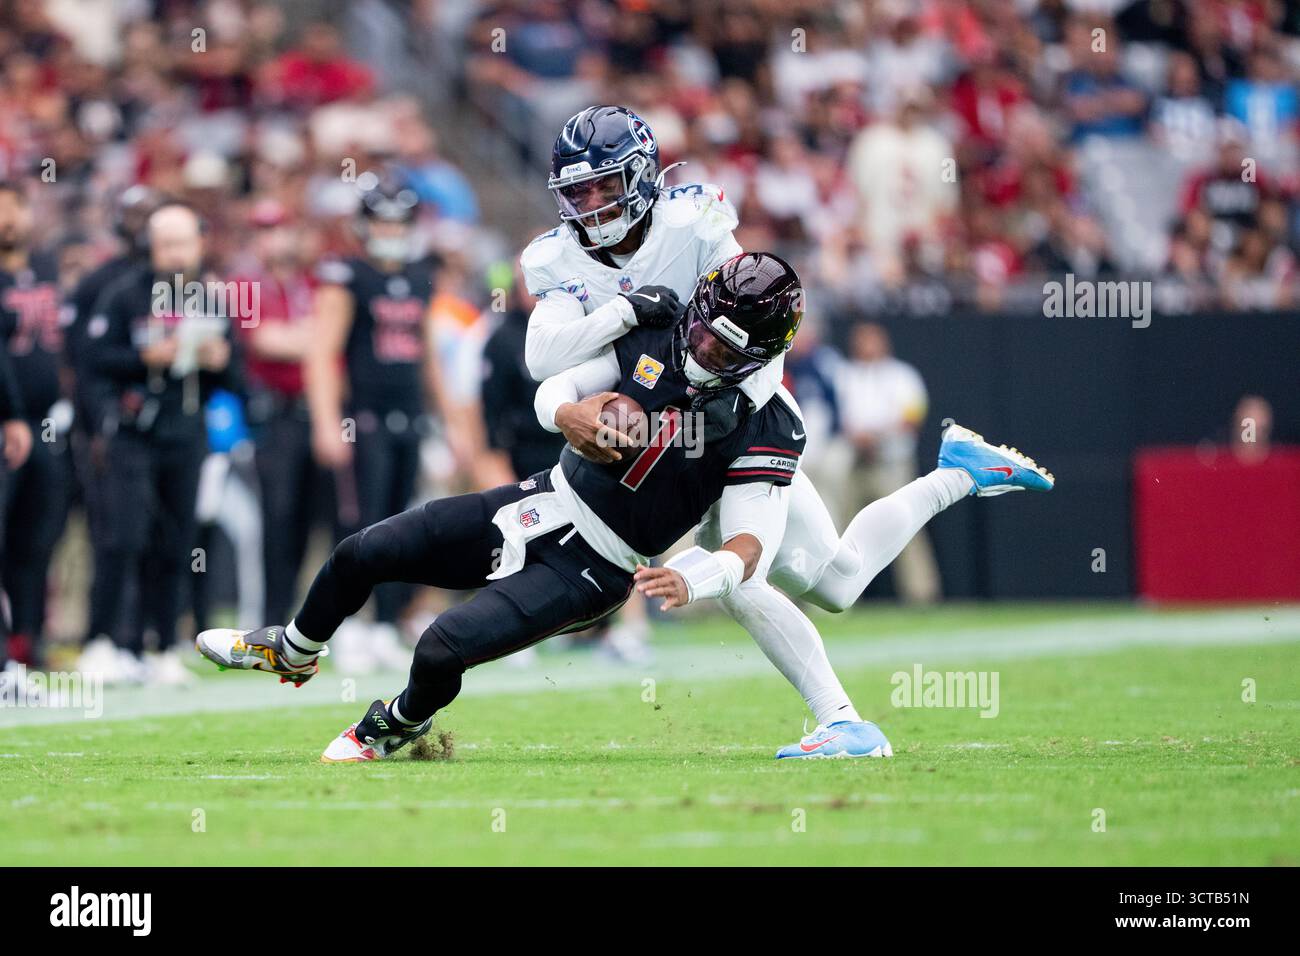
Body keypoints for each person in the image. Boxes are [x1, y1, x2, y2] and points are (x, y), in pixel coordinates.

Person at [196, 253, 1053, 762]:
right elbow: (556, 382)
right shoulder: (664, 331)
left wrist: (699, 575)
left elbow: (751, 541)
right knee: (362, 552)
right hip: (541, 501)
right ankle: (294, 649)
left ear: (767, 351)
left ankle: (395, 726)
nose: (701, 345)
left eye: (722, 342)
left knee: (443, 641)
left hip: (596, 561)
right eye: (703, 325)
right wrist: (570, 413)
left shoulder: (766, 418)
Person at [519, 106, 1053, 756]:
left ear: (642, 178)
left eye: (606, 185)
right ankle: (958, 472)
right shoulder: (555, 258)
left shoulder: (693, 222)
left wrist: (704, 414)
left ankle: (844, 722)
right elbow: (545, 361)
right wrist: (625, 313)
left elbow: (762, 321)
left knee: (743, 572)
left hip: (739, 421)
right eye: (580, 190)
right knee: (839, 581)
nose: (593, 203)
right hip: (676, 426)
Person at [82, 201, 243, 684]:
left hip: (187, 431)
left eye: (183, 242)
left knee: (177, 542)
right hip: (135, 432)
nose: (174, 254)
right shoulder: (125, 294)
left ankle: (162, 645)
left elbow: (236, 377)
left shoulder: (212, 298)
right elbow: (94, 360)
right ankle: (103, 640)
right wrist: (144, 357)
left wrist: (220, 359)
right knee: (124, 537)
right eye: (165, 243)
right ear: (150, 246)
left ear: (200, 243)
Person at [305, 177, 442, 672]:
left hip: (409, 417)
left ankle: (385, 624)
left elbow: (428, 357)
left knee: (401, 527)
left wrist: (449, 419)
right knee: (357, 526)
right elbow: (321, 353)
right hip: (362, 419)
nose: (390, 230)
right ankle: (348, 628)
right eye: (382, 220)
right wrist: (326, 422)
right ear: (365, 226)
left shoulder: (422, 272)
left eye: (398, 221)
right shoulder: (348, 277)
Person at [0, 181, 72, 667]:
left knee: (39, 536)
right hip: (8, 424)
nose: (7, 220)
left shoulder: (45, 266)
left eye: (13, 208)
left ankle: (27, 642)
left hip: (47, 424)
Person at [834, 321, 940, 603]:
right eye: (861, 340)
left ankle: (921, 594)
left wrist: (876, 436)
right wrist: (855, 437)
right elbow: (833, 416)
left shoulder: (902, 375)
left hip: (890, 461)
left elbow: (912, 418)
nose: (866, 346)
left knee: (906, 525)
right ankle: (833, 598)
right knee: (837, 530)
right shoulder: (843, 374)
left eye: (872, 340)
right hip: (852, 461)